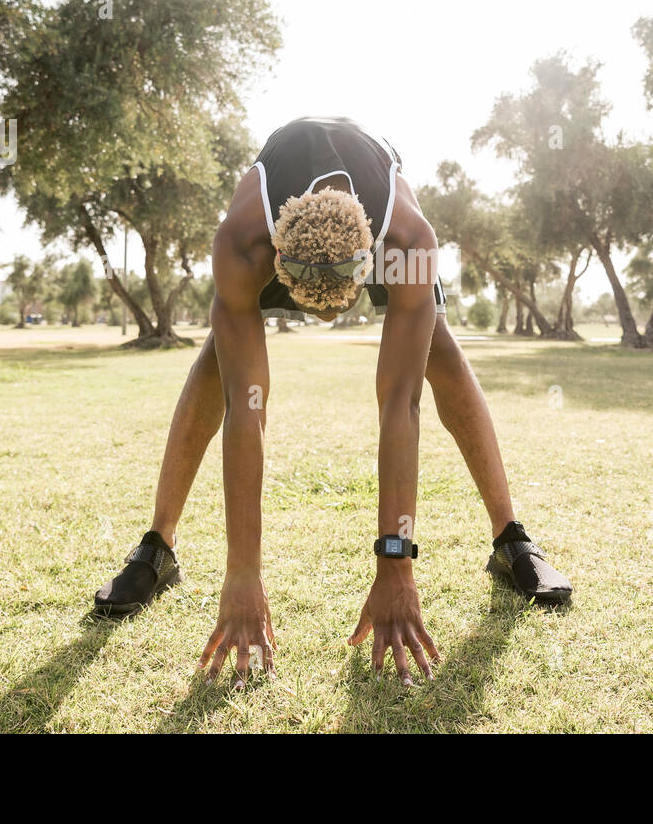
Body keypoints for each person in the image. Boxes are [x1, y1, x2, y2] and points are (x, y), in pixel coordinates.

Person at [94, 116, 571, 685]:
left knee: (439, 353)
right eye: (311, 309)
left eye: (337, 308)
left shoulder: (409, 242)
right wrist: (241, 571)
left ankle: (510, 539)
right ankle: (158, 549)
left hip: (380, 234)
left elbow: (401, 405)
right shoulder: (241, 242)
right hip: (280, 232)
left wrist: (396, 565)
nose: (326, 320)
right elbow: (249, 410)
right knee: (215, 366)